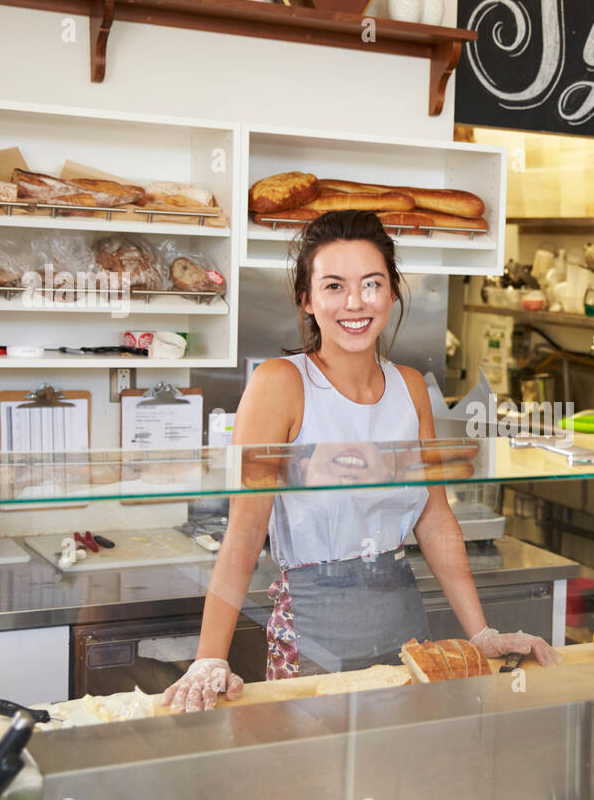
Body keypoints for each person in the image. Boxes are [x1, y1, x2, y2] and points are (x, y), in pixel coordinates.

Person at [163, 210, 559, 712]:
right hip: (312, 628)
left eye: (371, 284)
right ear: (306, 299)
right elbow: (244, 532)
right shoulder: (280, 383)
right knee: (315, 777)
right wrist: (209, 658)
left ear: (392, 294)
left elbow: (434, 517)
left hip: (403, 624)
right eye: (334, 286)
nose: (355, 303)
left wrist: (480, 632)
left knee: (397, 771)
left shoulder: (411, 387)